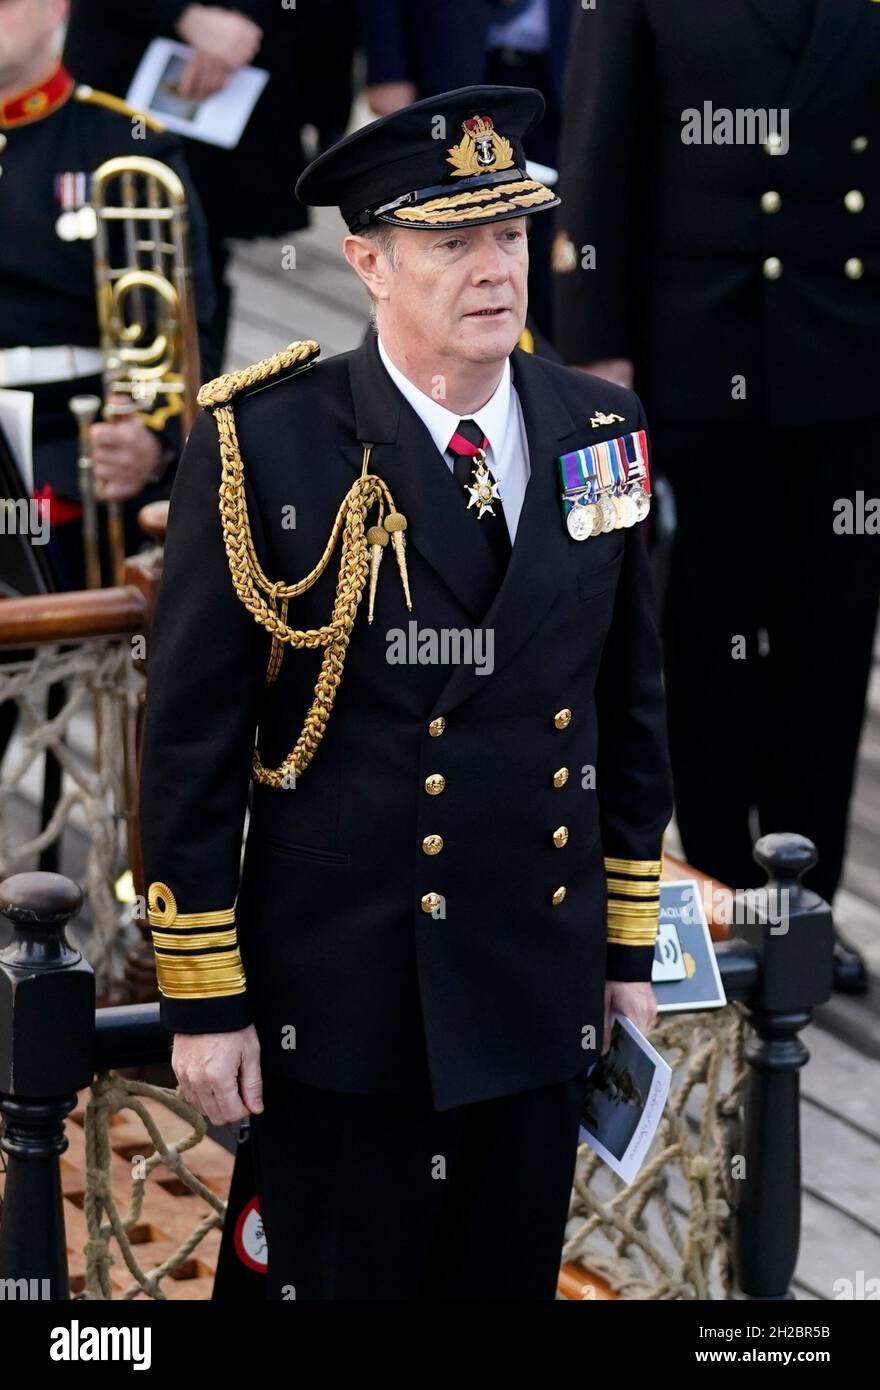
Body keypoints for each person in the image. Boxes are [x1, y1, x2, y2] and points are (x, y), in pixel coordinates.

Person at [138, 84, 673, 1300]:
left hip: (536, 992)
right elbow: (190, 744)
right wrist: (206, 1000)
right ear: (368, 262)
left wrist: (625, 947)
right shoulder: (266, 445)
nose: (495, 270)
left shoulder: (600, 423)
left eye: (509, 235)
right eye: (450, 242)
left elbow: (628, 707)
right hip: (347, 1003)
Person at [553, 0, 880, 992]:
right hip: (696, 355)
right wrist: (597, 362)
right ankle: (725, 892)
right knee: (708, 630)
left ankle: (800, 902)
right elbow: (598, 158)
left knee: (831, 638)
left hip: (851, 355)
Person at [0, 0, 217, 593]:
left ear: (56, 7)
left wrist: (153, 435)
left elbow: (181, 332)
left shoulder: (124, 143)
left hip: (72, 455)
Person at [64, 0, 359, 358]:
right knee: (86, 242)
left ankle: (194, 405)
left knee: (201, 262)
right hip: (123, 58)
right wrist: (180, 12)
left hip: (248, 71)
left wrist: (248, 17)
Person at [357, 0, 577, 337]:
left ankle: (530, 373)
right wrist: (388, 67)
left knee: (546, 249)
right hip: (445, 61)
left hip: (561, 75)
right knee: (435, 234)